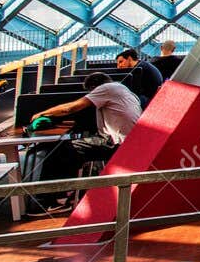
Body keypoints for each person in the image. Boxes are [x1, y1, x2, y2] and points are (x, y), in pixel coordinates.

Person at [24, 72, 142, 215]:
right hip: (132, 141)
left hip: (117, 143)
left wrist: (42, 114)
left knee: (62, 150)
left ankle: (49, 202)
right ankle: (67, 193)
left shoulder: (106, 88)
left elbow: (70, 108)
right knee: (71, 148)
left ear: (94, 87)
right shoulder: (123, 89)